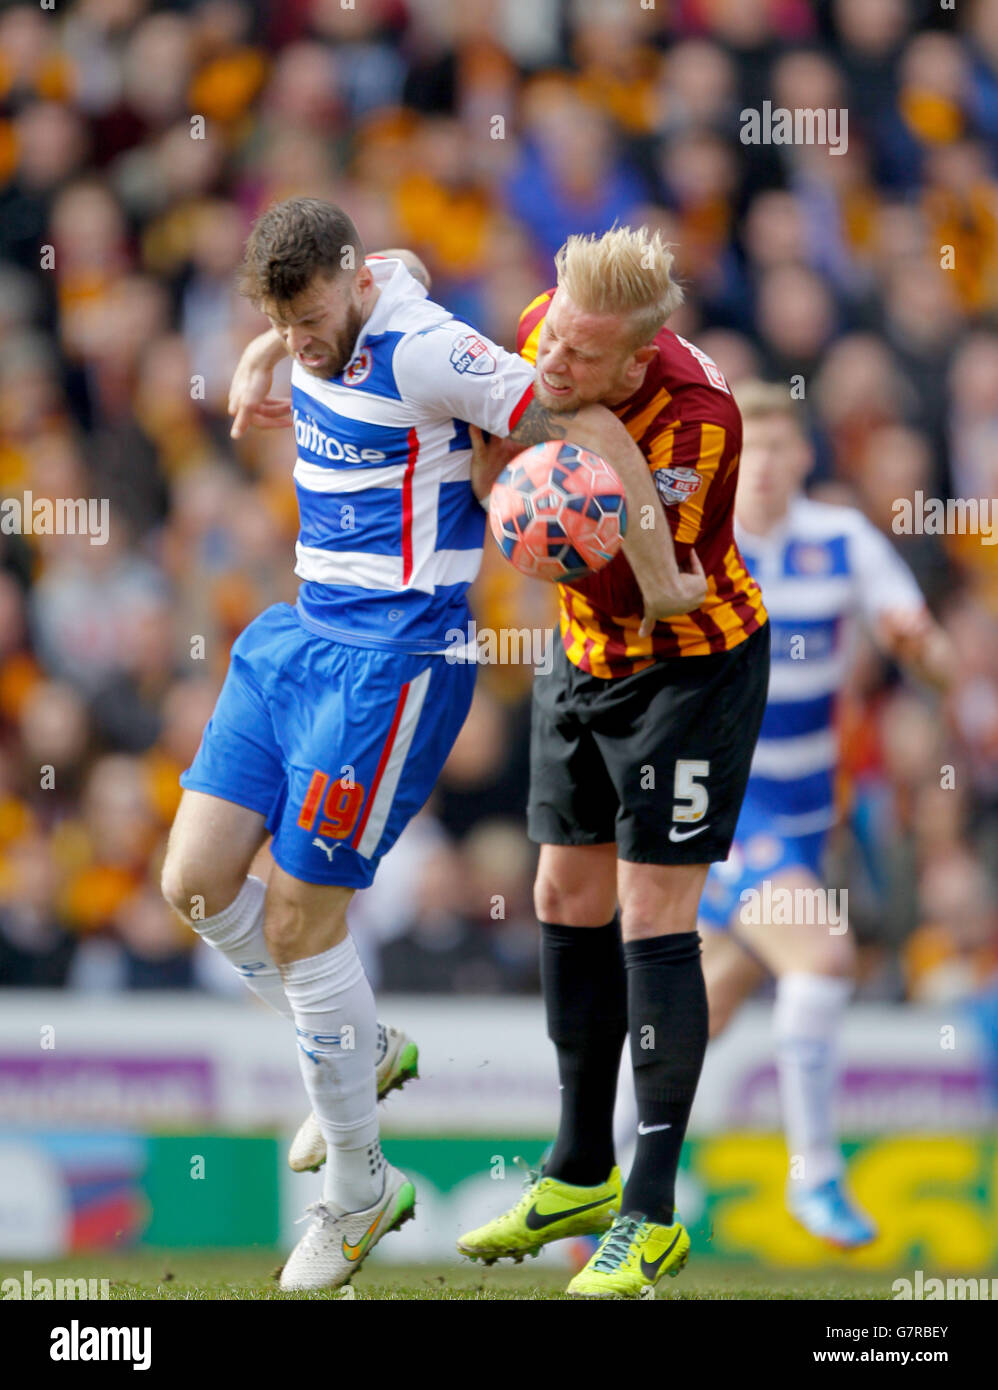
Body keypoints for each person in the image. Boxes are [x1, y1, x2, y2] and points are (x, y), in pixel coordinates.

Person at [164, 200, 706, 1293]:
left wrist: (655, 579)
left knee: (296, 915)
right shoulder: (326, 314)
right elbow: (362, 288)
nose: (306, 340)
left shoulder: (429, 348)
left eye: (312, 317)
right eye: (283, 320)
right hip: (296, 633)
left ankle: (359, 1193)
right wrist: (274, 348)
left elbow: (582, 426)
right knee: (191, 884)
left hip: (396, 657)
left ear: (352, 278)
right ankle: (359, 1052)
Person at [455, 227, 771, 1298]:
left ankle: (648, 1209)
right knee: (561, 889)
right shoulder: (553, 329)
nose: (552, 363)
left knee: (651, 913)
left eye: (585, 361)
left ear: (639, 357)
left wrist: (580, 439)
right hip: (579, 658)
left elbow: (646, 582)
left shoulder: (699, 421)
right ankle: (575, 1168)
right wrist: (532, 440)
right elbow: (503, 452)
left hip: (687, 667)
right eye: (554, 337)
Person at [694, 380, 951, 1247]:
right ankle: (816, 1176)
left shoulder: (841, 539)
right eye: (748, 450)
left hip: (807, 816)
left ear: (803, 456)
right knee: (826, 955)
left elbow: (917, 637)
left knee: (700, 1011)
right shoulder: (707, 542)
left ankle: (586, 1183)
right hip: (724, 803)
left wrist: (935, 663)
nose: (762, 466)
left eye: (777, 449)